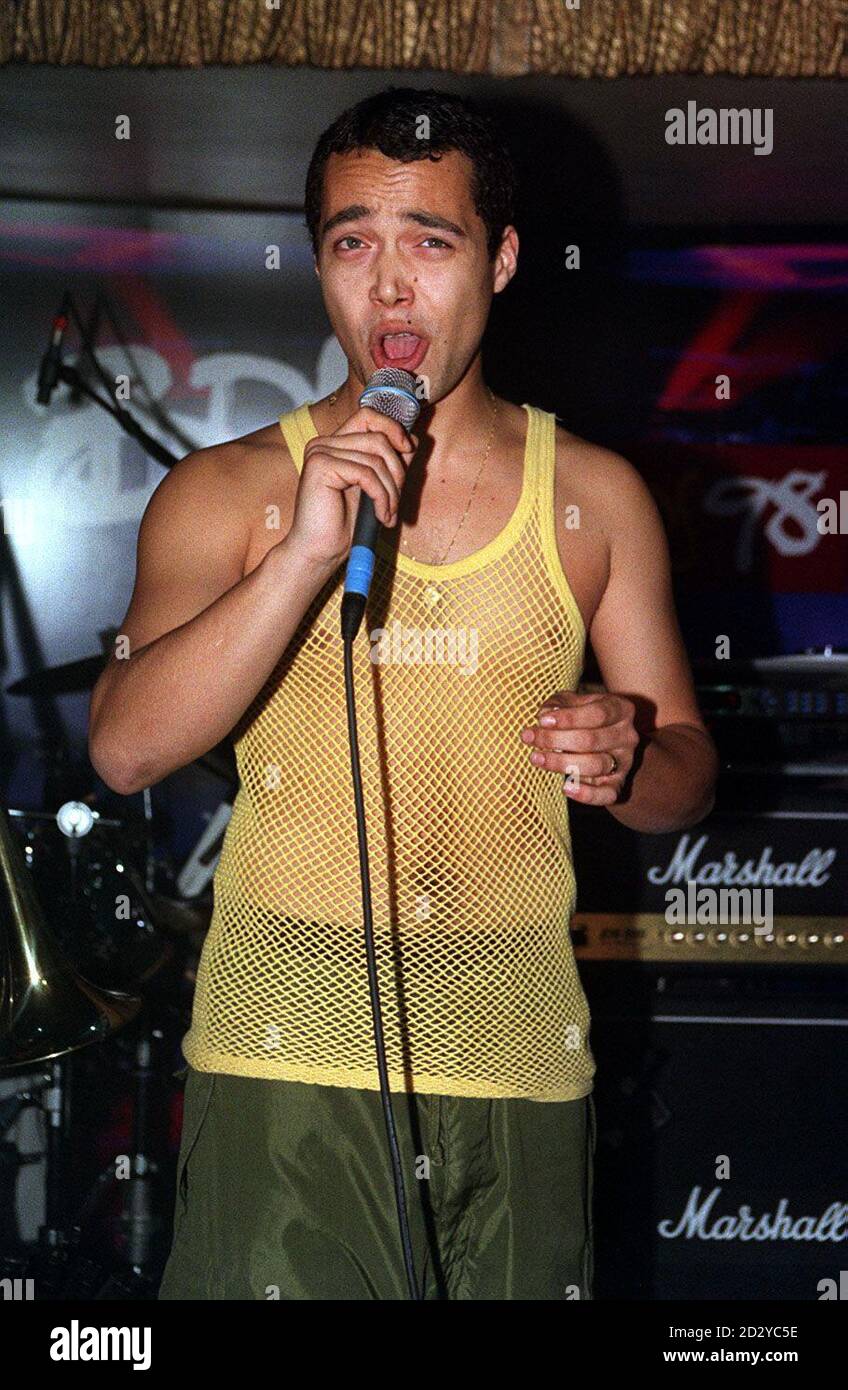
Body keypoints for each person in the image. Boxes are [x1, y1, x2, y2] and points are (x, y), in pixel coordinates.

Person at [88, 86, 718, 1300]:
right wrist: (299, 560)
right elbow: (123, 750)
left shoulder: (593, 494)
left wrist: (631, 751)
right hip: (287, 1059)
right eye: (351, 242)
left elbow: (683, 774)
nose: (389, 287)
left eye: (430, 240)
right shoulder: (225, 494)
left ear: (502, 258)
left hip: (518, 1057)